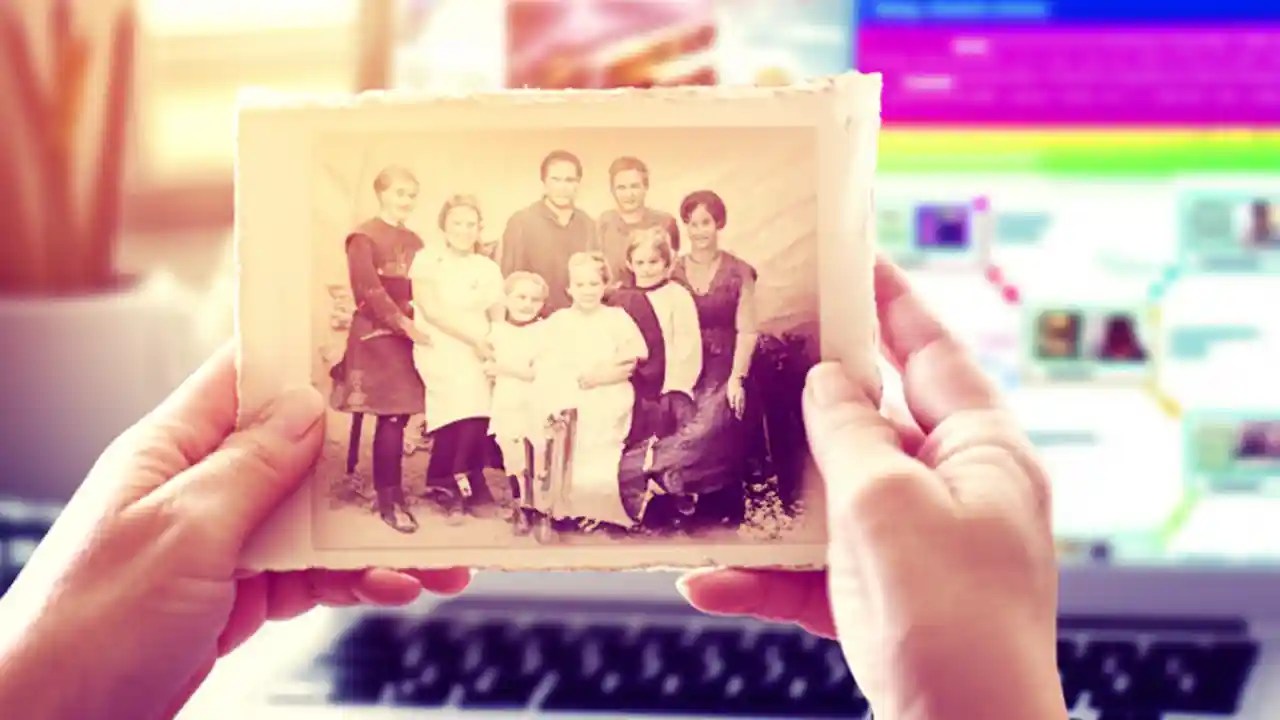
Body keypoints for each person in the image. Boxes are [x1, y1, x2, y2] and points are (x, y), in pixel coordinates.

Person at [0, 258, 1065, 720]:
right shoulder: (546, 320)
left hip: (602, 408)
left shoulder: (643, 311)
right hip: (540, 408)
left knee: (597, 444)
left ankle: (591, 495)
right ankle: (549, 491)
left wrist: (45, 680)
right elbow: (527, 363)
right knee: (528, 439)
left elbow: (629, 367)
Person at [328, 165, 432, 534]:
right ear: (381, 193)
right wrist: (403, 323)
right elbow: (368, 291)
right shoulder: (363, 237)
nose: (406, 200)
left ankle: (393, 490)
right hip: (375, 336)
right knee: (391, 415)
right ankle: (389, 500)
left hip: (408, 334)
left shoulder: (416, 241)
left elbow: (424, 288)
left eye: (412, 195)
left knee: (400, 417)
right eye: (399, 193)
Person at [409, 195, 507, 521]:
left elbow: (497, 311)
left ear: (479, 228)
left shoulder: (487, 267)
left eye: (470, 224)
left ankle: (462, 476)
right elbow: (431, 310)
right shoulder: (427, 259)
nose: (464, 230)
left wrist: (496, 341)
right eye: (457, 223)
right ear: (444, 226)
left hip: (480, 344)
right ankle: (452, 481)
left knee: (479, 409)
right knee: (457, 406)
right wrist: (473, 341)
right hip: (440, 343)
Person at [534, 252, 648, 533]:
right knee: (569, 437)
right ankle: (566, 508)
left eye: (594, 284)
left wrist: (602, 376)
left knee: (601, 443)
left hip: (607, 391)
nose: (587, 291)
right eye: (580, 284)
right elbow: (544, 363)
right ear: (569, 288)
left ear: (605, 285)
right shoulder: (559, 321)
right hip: (568, 393)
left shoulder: (615, 318)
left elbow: (634, 358)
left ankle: (599, 509)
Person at [667, 189, 760, 528]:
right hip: (683, 360)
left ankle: (705, 493)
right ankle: (680, 491)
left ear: (719, 223)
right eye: (692, 224)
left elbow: (747, 330)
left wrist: (737, 378)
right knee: (680, 411)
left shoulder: (739, 271)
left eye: (705, 223)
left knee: (713, 415)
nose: (699, 231)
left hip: (725, 361)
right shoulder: (672, 270)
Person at [610, 226, 703, 526]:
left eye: (653, 262)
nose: (647, 269)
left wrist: (676, 385)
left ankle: (674, 495)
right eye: (640, 262)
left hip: (668, 382)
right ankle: (634, 502)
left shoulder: (677, 296)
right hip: (632, 380)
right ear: (629, 263)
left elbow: (686, 344)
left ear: (667, 263)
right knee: (632, 441)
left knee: (669, 437)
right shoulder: (621, 299)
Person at [486, 271, 551, 538]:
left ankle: (543, 510)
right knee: (513, 456)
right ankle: (521, 506)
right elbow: (487, 366)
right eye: (520, 297)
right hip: (507, 401)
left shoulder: (545, 331)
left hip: (537, 401)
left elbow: (539, 372)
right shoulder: (497, 332)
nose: (527, 304)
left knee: (539, 454)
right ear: (506, 299)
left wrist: (503, 369)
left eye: (534, 299)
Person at [499, 150, 598, 314]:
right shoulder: (521, 222)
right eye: (556, 180)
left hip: (579, 317)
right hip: (535, 318)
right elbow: (509, 281)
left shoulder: (588, 224)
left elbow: (595, 278)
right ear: (544, 182)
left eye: (569, 180)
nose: (563, 187)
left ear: (578, 184)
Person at [596, 156, 681, 290]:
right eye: (621, 188)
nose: (629, 194)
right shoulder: (604, 223)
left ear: (645, 186)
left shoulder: (665, 223)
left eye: (634, 186)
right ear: (612, 190)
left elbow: (672, 269)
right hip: (614, 300)